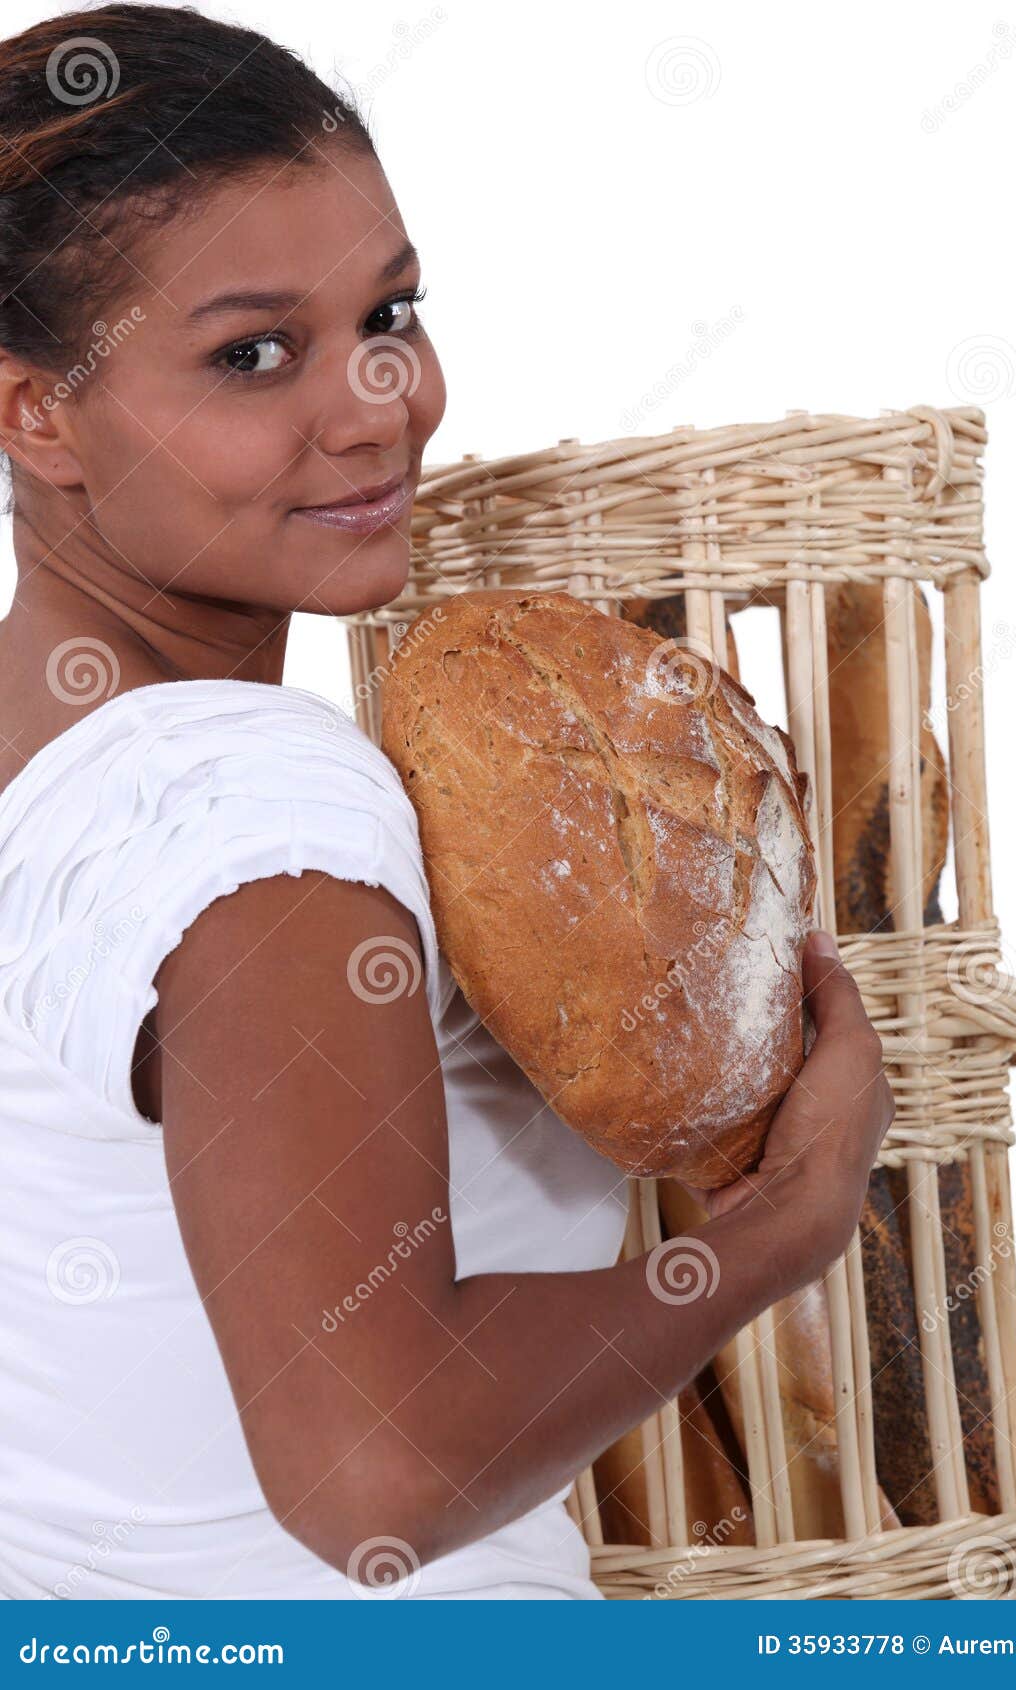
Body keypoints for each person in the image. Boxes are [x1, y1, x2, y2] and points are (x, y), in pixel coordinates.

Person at [0, 3, 895, 1600]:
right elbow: (377, 1471)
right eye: (251, 353)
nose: (378, 404)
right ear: (36, 412)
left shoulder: (58, 754)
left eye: (390, 311)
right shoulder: (261, 796)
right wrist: (778, 1229)